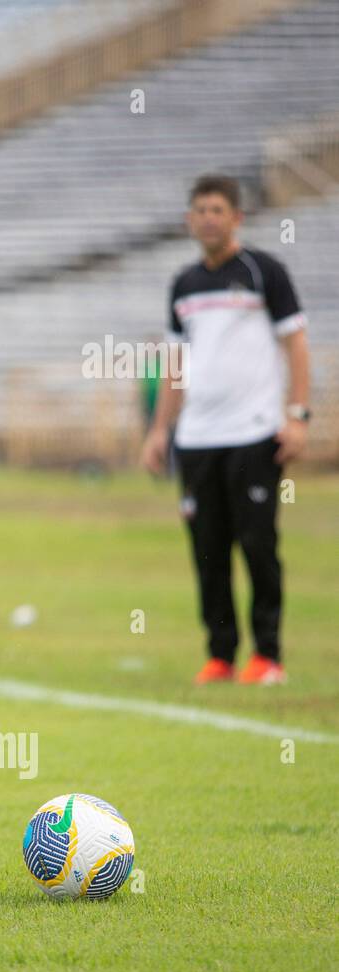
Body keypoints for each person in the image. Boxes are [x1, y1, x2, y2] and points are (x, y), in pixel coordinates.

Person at [140, 175, 310, 685]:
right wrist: (159, 430)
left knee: (257, 544)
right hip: (197, 440)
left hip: (253, 433)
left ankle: (269, 656)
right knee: (208, 551)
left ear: (236, 217)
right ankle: (220, 654)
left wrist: (298, 415)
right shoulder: (184, 285)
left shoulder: (264, 272)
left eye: (218, 209)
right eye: (200, 209)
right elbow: (178, 363)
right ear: (190, 220)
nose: (209, 217)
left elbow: (296, 344)